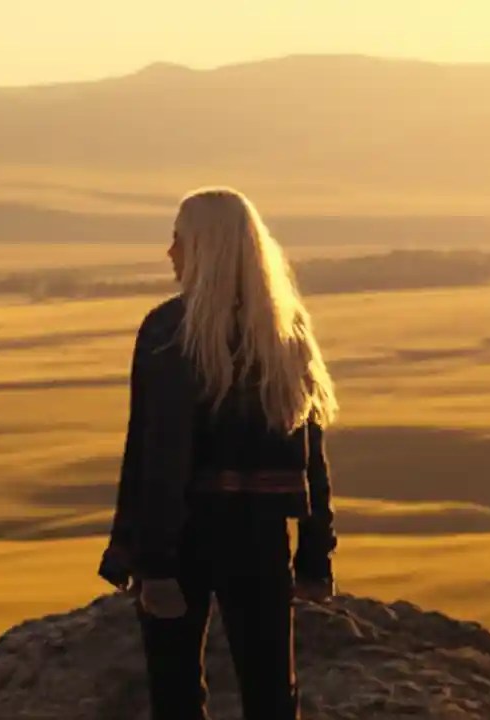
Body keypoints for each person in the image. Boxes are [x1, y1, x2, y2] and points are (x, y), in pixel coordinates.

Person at [98, 187, 339, 720]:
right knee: (272, 694)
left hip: (182, 539)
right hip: (260, 537)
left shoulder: (167, 330)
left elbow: (155, 453)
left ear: (205, 247)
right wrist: (315, 552)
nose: (170, 253)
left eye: (178, 239)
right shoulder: (285, 331)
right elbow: (310, 450)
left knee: (177, 694)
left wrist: (151, 562)